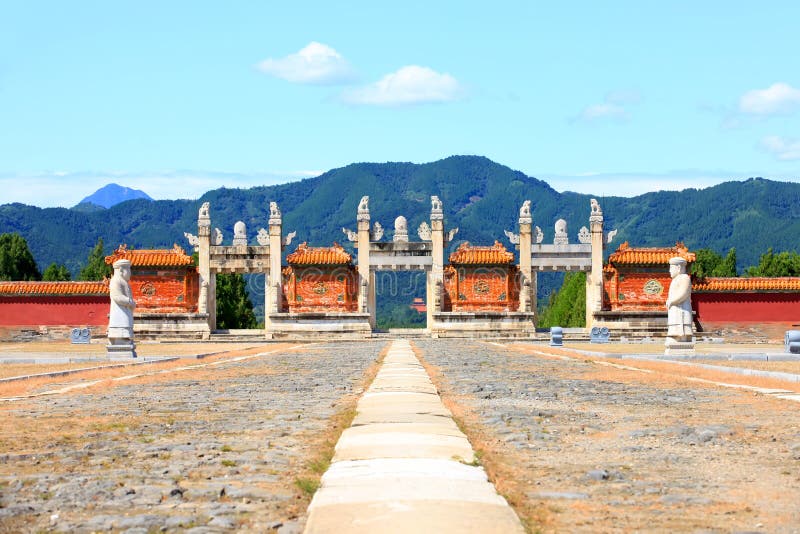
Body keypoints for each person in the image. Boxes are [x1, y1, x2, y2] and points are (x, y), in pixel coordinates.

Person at [107, 258, 136, 355]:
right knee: (120, 328)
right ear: (121, 270)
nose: (130, 273)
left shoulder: (124, 282)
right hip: (119, 313)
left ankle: (124, 339)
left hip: (125, 311)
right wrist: (130, 302)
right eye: (128, 270)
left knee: (125, 328)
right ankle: (119, 339)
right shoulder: (115, 281)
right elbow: (117, 297)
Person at [665, 256, 692, 344]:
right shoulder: (675, 280)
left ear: (679, 267)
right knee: (674, 329)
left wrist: (672, 301)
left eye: (671, 268)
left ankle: (681, 338)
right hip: (674, 310)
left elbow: (683, 294)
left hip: (682, 309)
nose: (669, 271)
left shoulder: (685, 278)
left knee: (682, 330)